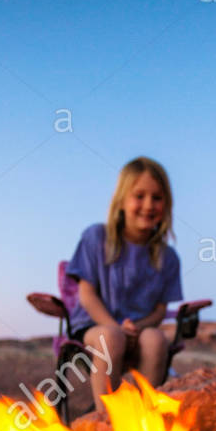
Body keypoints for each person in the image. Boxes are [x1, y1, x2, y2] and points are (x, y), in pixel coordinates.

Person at [66, 157, 183, 407]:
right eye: (139, 196)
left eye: (157, 198)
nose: (148, 205)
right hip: (94, 326)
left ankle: (143, 420)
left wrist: (136, 327)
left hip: (139, 329)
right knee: (110, 338)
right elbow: (86, 295)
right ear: (121, 200)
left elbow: (160, 311)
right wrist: (117, 328)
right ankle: (106, 421)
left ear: (167, 204)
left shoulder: (168, 257)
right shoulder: (96, 238)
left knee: (156, 340)